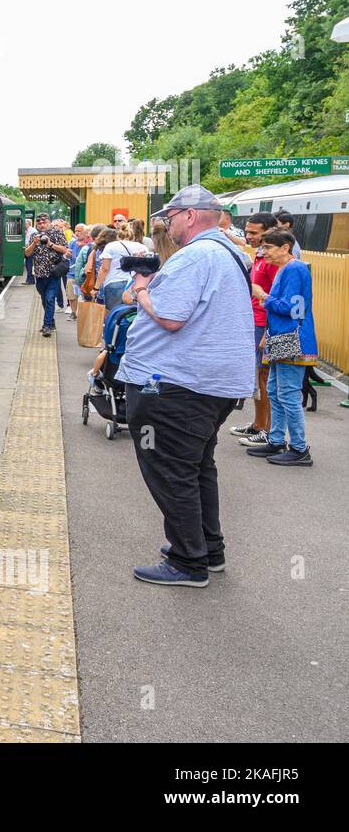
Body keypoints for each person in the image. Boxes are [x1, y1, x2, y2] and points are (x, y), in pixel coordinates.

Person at [118, 184, 254, 587]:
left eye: (172, 216)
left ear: (190, 216)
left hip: (174, 386)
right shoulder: (231, 253)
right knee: (196, 467)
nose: (167, 223)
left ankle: (187, 562)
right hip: (209, 385)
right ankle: (208, 550)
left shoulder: (195, 256)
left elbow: (170, 317)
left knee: (171, 469)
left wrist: (143, 288)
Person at [247, 229, 317, 466]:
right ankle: (277, 440)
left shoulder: (294, 269)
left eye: (267, 247)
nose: (262, 251)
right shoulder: (287, 269)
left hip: (292, 340)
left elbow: (294, 308)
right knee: (276, 391)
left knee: (287, 394)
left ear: (285, 248)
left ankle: (299, 447)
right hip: (282, 338)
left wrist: (264, 296)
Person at [230, 212, 278, 446]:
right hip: (255, 320)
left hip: (263, 323)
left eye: (253, 233)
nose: (248, 236)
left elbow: (275, 297)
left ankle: (268, 430)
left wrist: (268, 331)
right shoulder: (260, 256)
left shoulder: (273, 262)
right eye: (247, 232)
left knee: (264, 378)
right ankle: (258, 424)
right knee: (258, 377)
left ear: (269, 231)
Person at [23, 211, 71, 337]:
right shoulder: (34, 235)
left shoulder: (57, 233)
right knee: (45, 300)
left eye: (44, 222)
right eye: (39, 222)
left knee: (50, 299)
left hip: (53, 273)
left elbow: (65, 249)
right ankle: (51, 322)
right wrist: (34, 243)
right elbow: (27, 254)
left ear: (49, 222)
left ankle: (46, 326)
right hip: (39, 274)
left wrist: (50, 244)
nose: (42, 224)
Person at [95, 226, 147, 310]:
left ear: (117, 236)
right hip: (134, 284)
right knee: (131, 315)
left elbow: (104, 268)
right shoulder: (142, 247)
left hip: (113, 283)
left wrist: (96, 287)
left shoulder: (110, 246)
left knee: (113, 315)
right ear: (132, 236)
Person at [52, 219, 74, 316]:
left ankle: (69, 305)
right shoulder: (53, 236)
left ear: (66, 227)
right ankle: (60, 304)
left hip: (66, 263)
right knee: (57, 285)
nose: (57, 228)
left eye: (60, 226)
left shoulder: (70, 237)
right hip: (58, 263)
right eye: (55, 226)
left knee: (66, 284)